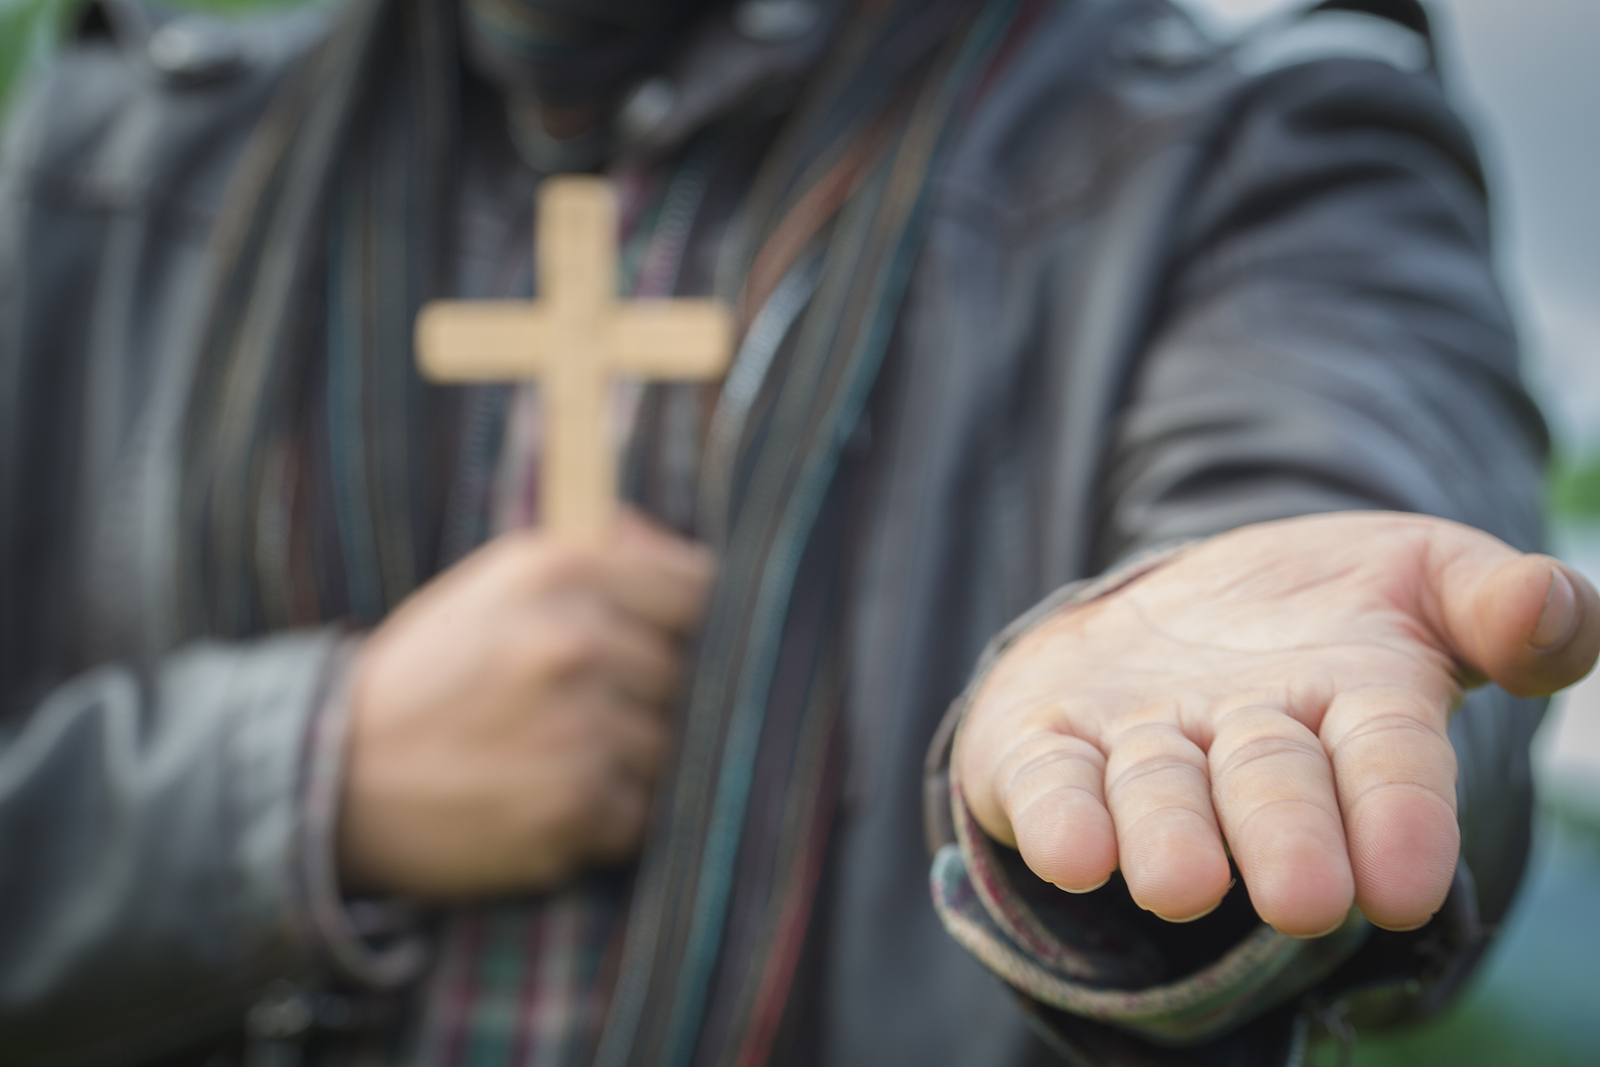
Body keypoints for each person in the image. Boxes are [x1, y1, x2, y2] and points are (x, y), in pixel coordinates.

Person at [0, 0, 1592, 1063]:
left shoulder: (1249, 151)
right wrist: (299, 784)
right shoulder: (107, 166)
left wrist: (1163, 724)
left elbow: (1326, 449)